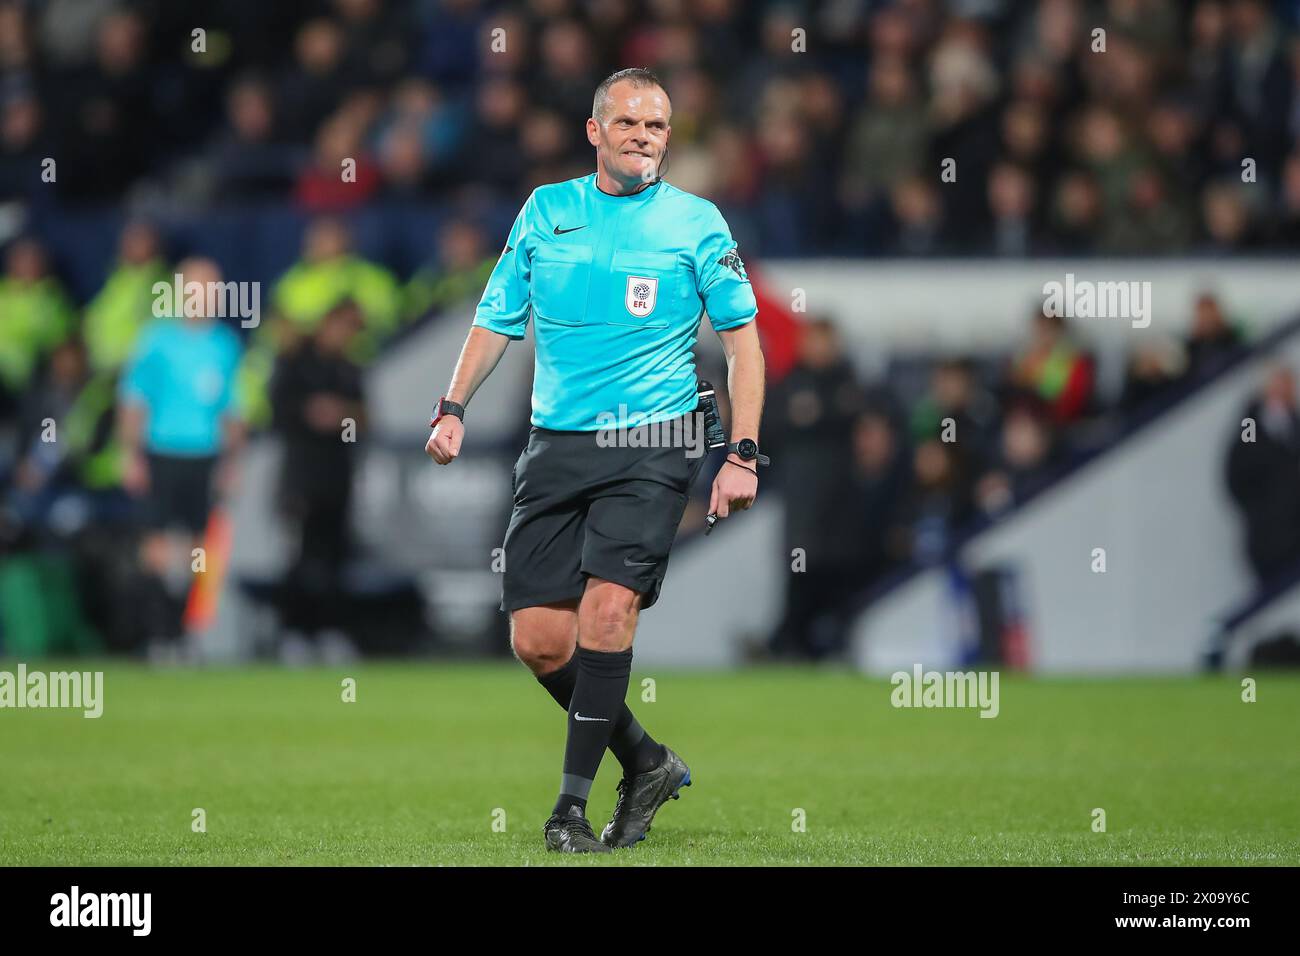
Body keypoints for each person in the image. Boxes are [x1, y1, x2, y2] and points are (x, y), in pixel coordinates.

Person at [425, 68, 765, 853]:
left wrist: (741, 454)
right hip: (556, 442)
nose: (644, 137)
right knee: (539, 640)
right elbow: (497, 316)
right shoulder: (547, 213)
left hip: (653, 441)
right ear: (595, 132)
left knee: (607, 612)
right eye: (629, 124)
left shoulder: (697, 223)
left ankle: (569, 810)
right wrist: (451, 408)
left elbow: (743, 341)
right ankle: (646, 760)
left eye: (656, 126)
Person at [117, 257, 244, 660]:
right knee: (155, 544)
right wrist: (130, 455)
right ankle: (158, 633)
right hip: (161, 451)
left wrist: (231, 462)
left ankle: (183, 634)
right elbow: (134, 401)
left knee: (196, 548)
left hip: (203, 454)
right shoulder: (156, 339)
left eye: (212, 288)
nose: (205, 296)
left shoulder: (224, 344)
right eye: (197, 287)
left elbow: (232, 409)